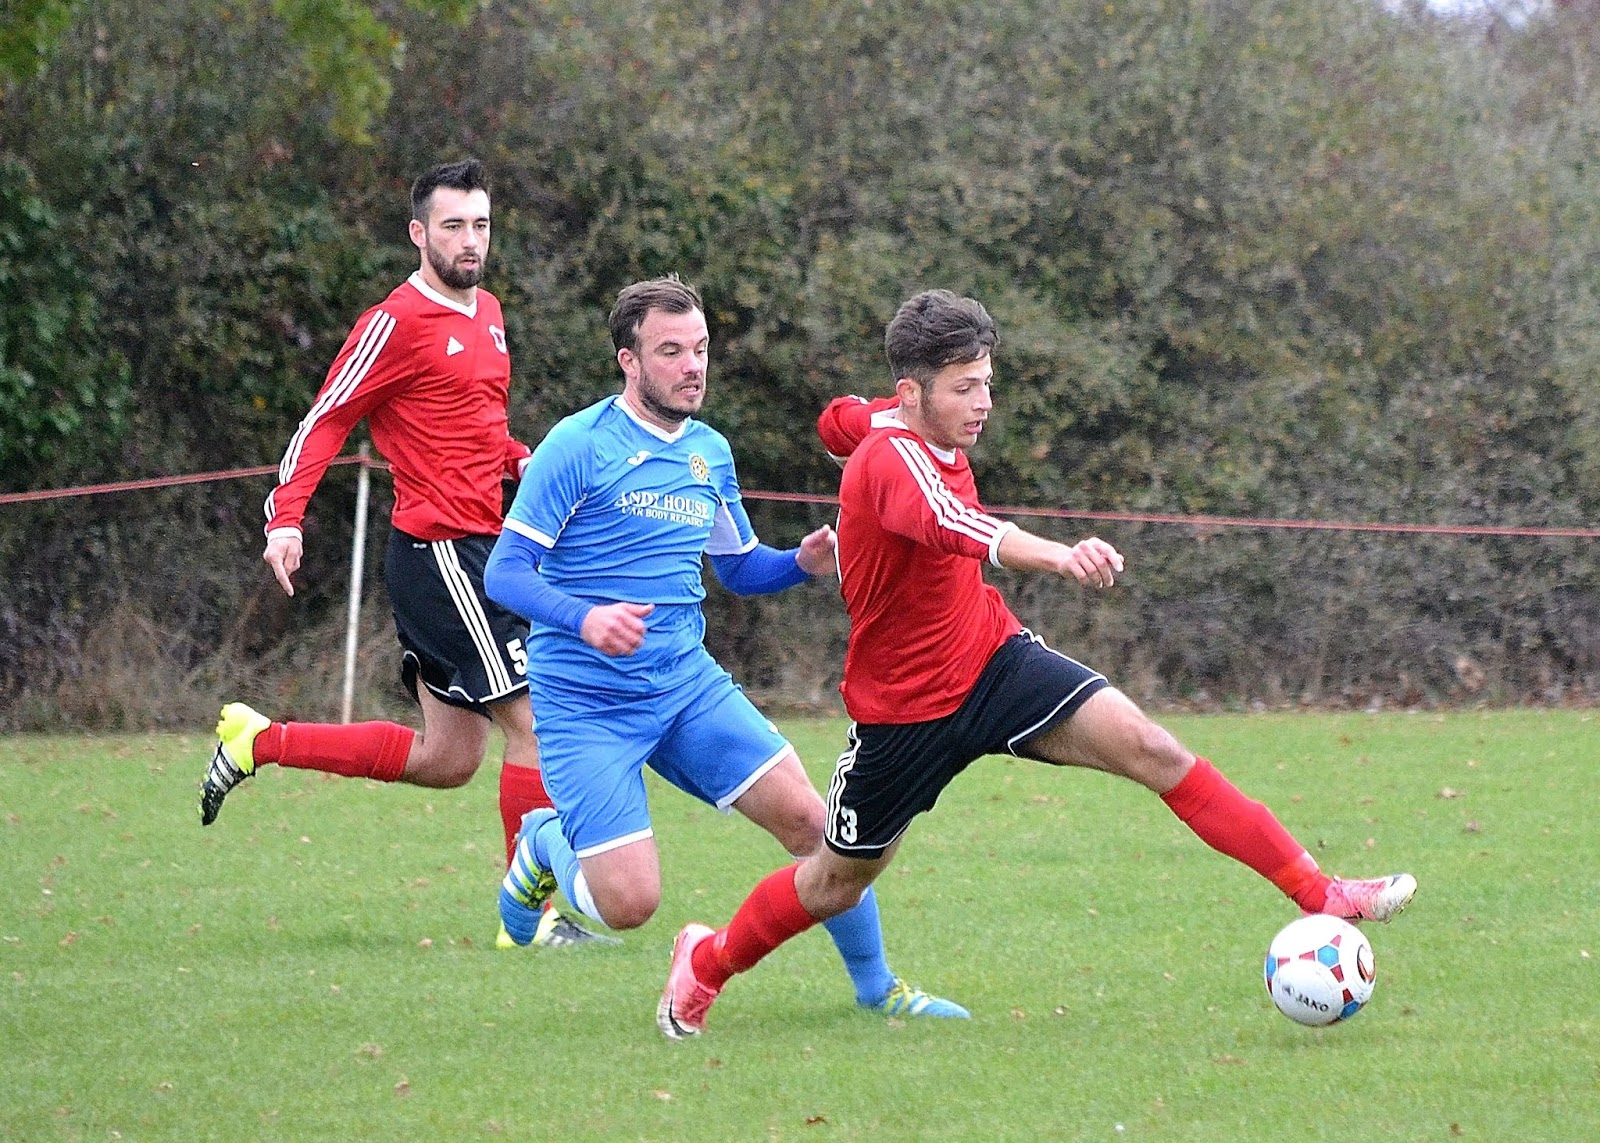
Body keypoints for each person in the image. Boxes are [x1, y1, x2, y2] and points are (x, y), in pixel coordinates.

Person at [655, 288, 1419, 1037]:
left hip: (992, 661)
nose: (983, 401)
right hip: (903, 714)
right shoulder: (892, 463)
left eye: (987, 381)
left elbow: (839, 419)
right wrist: (1061, 553)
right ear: (914, 393)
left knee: (1154, 747)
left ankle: (1322, 890)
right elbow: (965, 525)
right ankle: (708, 960)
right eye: (965, 387)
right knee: (833, 880)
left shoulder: (889, 418)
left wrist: (840, 423)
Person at [483, 274, 967, 1023]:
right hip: (586, 701)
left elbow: (738, 567)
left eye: (700, 348)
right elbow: (505, 571)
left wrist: (798, 562)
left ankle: (878, 989)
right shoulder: (576, 447)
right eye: (670, 351)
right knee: (630, 903)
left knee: (817, 825)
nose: (692, 366)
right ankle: (544, 843)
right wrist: (584, 619)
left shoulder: (708, 451)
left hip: (683, 685)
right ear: (629, 361)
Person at [197, 158, 611, 947]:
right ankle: (531, 918)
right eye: (453, 224)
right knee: (537, 722)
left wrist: (525, 464)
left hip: (486, 545)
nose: (469, 239)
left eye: (480, 223)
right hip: (441, 554)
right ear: (419, 233)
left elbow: (478, 430)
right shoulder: (394, 320)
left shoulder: (488, 311)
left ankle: (257, 739)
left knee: (449, 758)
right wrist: (286, 517)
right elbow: (326, 417)